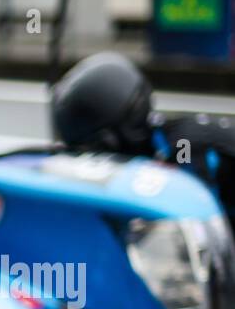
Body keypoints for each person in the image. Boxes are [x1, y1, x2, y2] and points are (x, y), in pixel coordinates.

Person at [51, 51, 235, 221]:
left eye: (96, 148)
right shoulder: (163, 140)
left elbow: (195, 216)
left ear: (114, 138)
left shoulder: (184, 145)